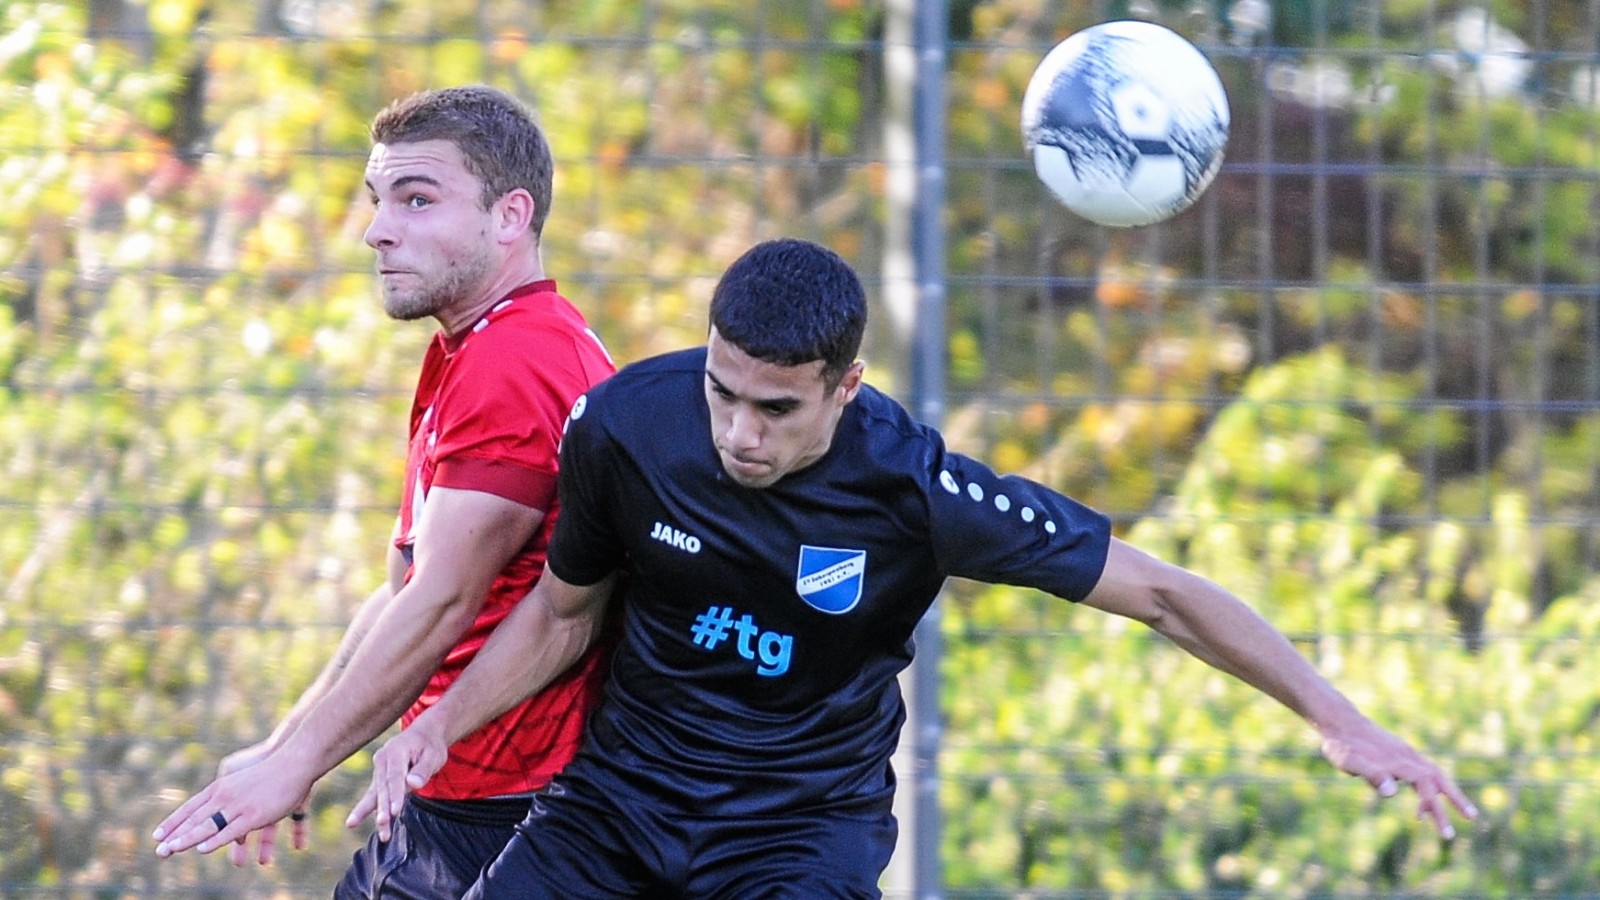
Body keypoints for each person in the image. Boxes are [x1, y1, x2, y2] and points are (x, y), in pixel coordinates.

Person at [353, 238, 1478, 898]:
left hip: (796, 835)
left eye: (777, 409)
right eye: (723, 393)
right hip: (616, 803)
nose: (741, 433)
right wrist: (436, 726)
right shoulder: (625, 428)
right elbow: (561, 612)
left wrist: (1335, 718)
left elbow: (1166, 595)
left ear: (844, 389)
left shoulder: (917, 491)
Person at [151, 85, 618, 898]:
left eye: (417, 199)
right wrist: (288, 748)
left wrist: (298, 766)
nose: (377, 230)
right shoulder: (479, 344)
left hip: (505, 816)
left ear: (510, 218)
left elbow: (443, 601)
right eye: (379, 200)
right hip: (449, 801)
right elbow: (403, 588)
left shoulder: (518, 362)